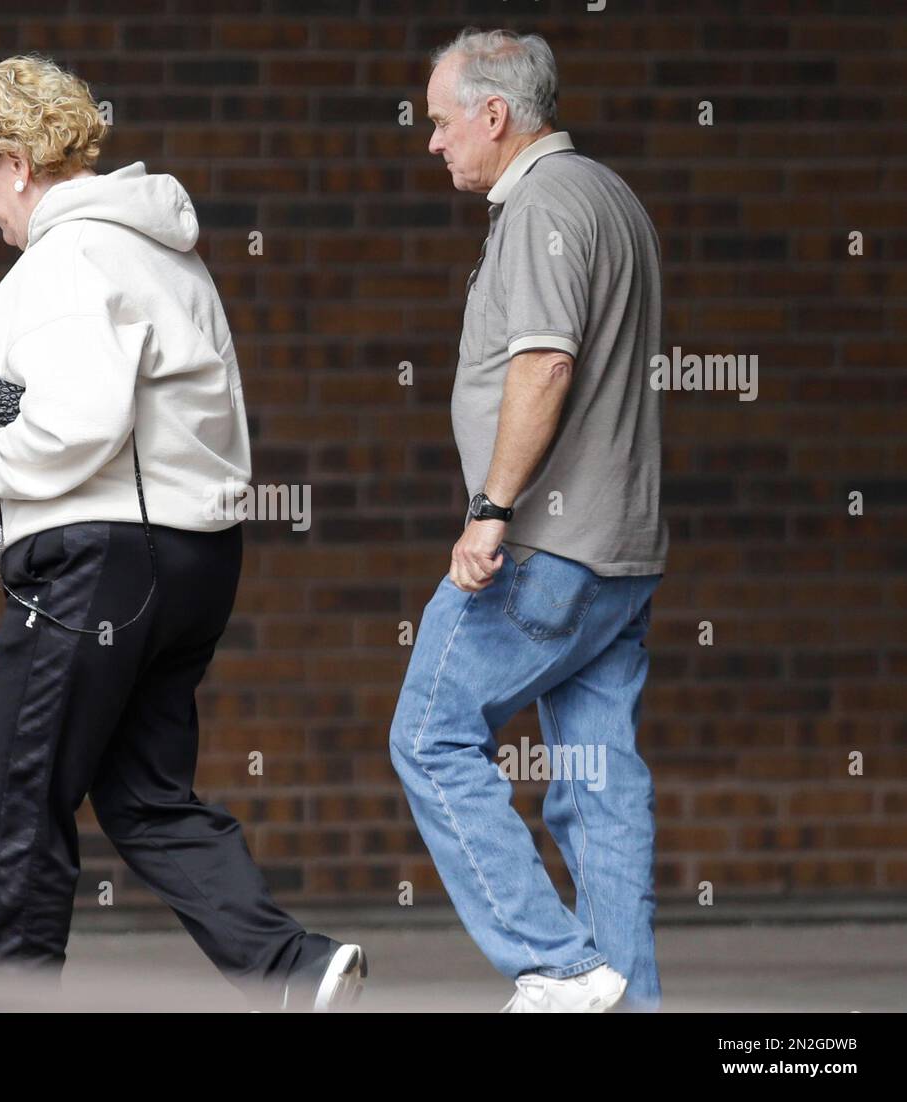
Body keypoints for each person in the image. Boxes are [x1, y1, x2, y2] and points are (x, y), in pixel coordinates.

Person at [0, 53, 364, 1011]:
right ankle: (295, 970)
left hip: (97, 566)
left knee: (22, 795)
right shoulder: (167, 252)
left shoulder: (70, 258)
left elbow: (76, 420)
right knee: (145, 795)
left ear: (17, 160)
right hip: (191, 560)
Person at [389, 28, 669, 1012]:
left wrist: (491, 509)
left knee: (429, 735)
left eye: (439, 122)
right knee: (598, 786)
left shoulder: (545, 203)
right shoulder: (610, 197)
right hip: (619, 554)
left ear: (493, 115)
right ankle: (625, 1000)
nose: (433, 143)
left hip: (544, 549)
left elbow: (544, 362)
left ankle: (553, 961)